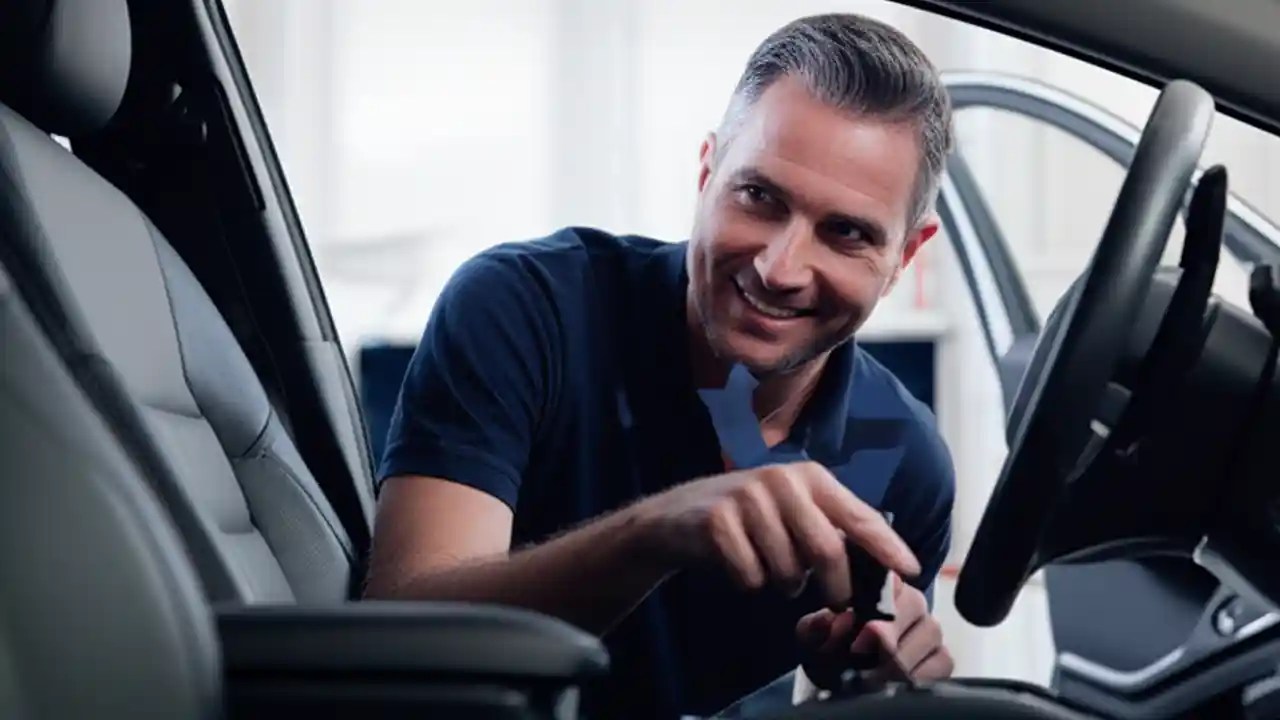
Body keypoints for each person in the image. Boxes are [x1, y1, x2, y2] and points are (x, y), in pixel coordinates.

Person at [364, 12, 957, 719]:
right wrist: (658, 532)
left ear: (904, 258)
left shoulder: (906, 462)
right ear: (707, 172)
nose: (780, 268)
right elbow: (400, 641)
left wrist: (868, 684)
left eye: (847, 232)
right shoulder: (523, 309)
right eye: (759, 197)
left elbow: (832, 683)